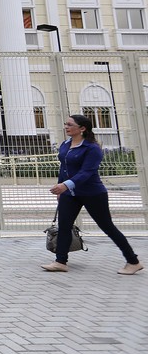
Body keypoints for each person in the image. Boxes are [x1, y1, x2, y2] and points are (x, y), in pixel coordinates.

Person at [41, 114, 142, 275]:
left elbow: (87, 172)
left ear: (82, 128)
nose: (66, 127)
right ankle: (60, 261)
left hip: (92, 193)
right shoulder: (66, 144)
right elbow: (64, 167)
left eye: (70, 124)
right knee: (64, 225)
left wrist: (65, 185)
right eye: (65, 124)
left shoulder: (92, 148)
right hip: (70, 193)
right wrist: (61, 188)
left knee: (107, 227)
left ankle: (133, 261)